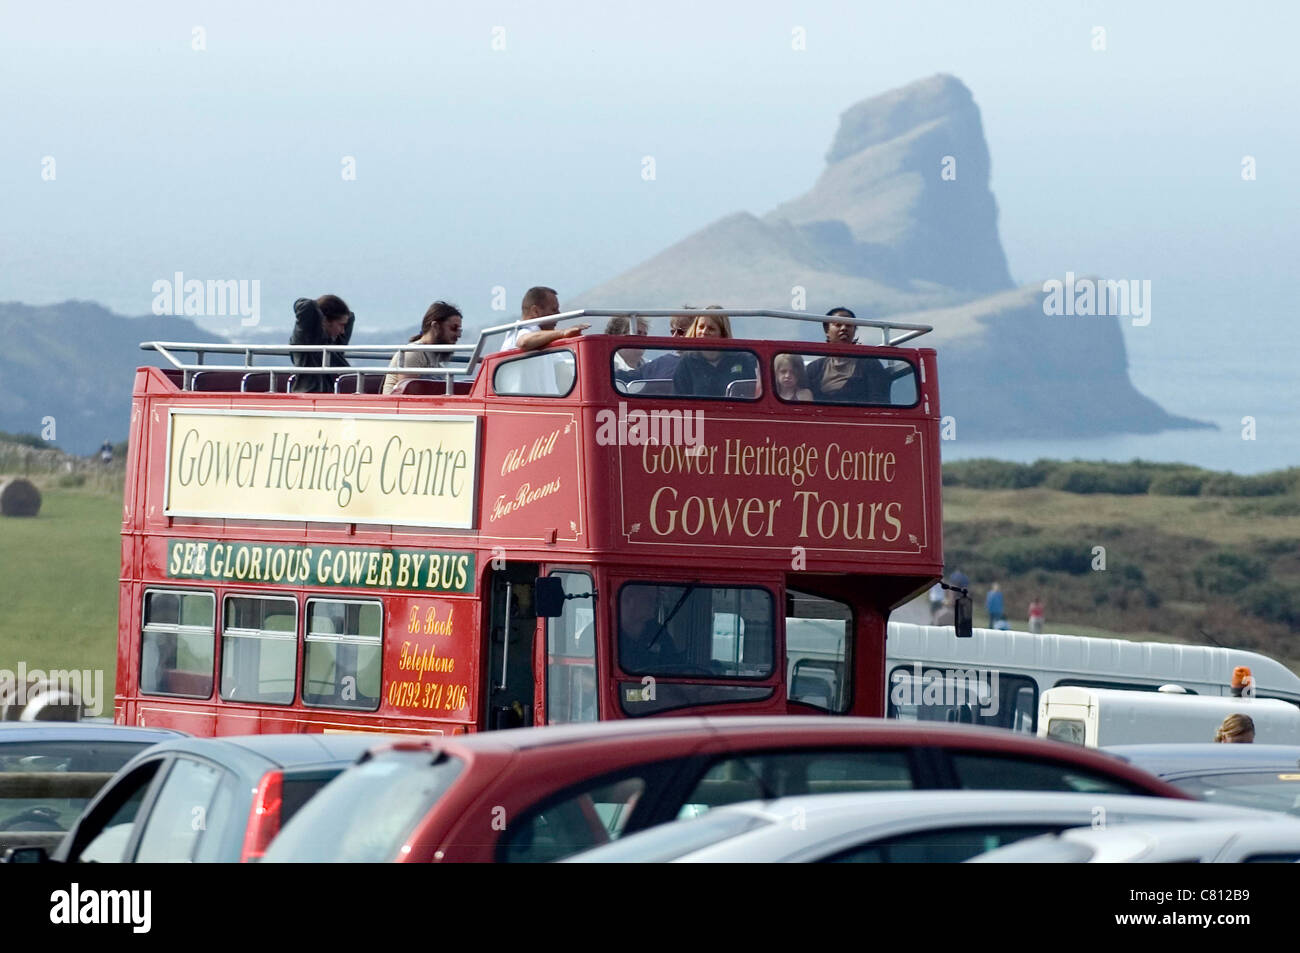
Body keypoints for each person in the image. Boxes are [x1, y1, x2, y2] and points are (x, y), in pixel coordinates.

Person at [805, 307, 890, 403]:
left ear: (854, 331)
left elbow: (879, 401)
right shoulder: (814, 369)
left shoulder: (870, 364)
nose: (844, 328)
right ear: (826, 331)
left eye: (849, 325)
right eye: (838, 324)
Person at [382, 301, 463, 394]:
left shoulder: (435, 358)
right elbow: (407, 395)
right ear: (435, 326)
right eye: (453, 328)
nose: (458, 335)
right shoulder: (413, 353)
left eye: (459, 330)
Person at [672, 311, 756, 398]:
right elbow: (680, 401)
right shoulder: (686, 363)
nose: (704, 332)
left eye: (711, 328)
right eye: (701, 327)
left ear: (722, 334)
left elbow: (751, 394)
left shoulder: (742, 360)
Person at [290, 294, 354, 393]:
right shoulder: (306, 338)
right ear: (325, 321)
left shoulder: (335, 344)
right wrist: (323, 310)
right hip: (310, 394)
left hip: (335, 395)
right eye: (341, 325)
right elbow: (306, 305)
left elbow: (350, 316)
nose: (342, 331)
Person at [619, 588, 689, 672]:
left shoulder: (658, 633)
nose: (655, 604)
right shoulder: (607, 632)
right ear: (629, 598)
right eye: (649, 599)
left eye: (655, 600)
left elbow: (674, 667)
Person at [501, 286, 588, 352]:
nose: (559, 314)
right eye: (554, 310)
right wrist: (563, 333)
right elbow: (523, 341)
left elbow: (564, 371)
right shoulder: (519, 332)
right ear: (535, 311)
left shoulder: (543, 341)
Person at [608, 315, 651, 384]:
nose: (643, 339)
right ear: (619, 337)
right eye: (638, 333)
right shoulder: (609, 366)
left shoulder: (651, 366)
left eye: (645, 335)